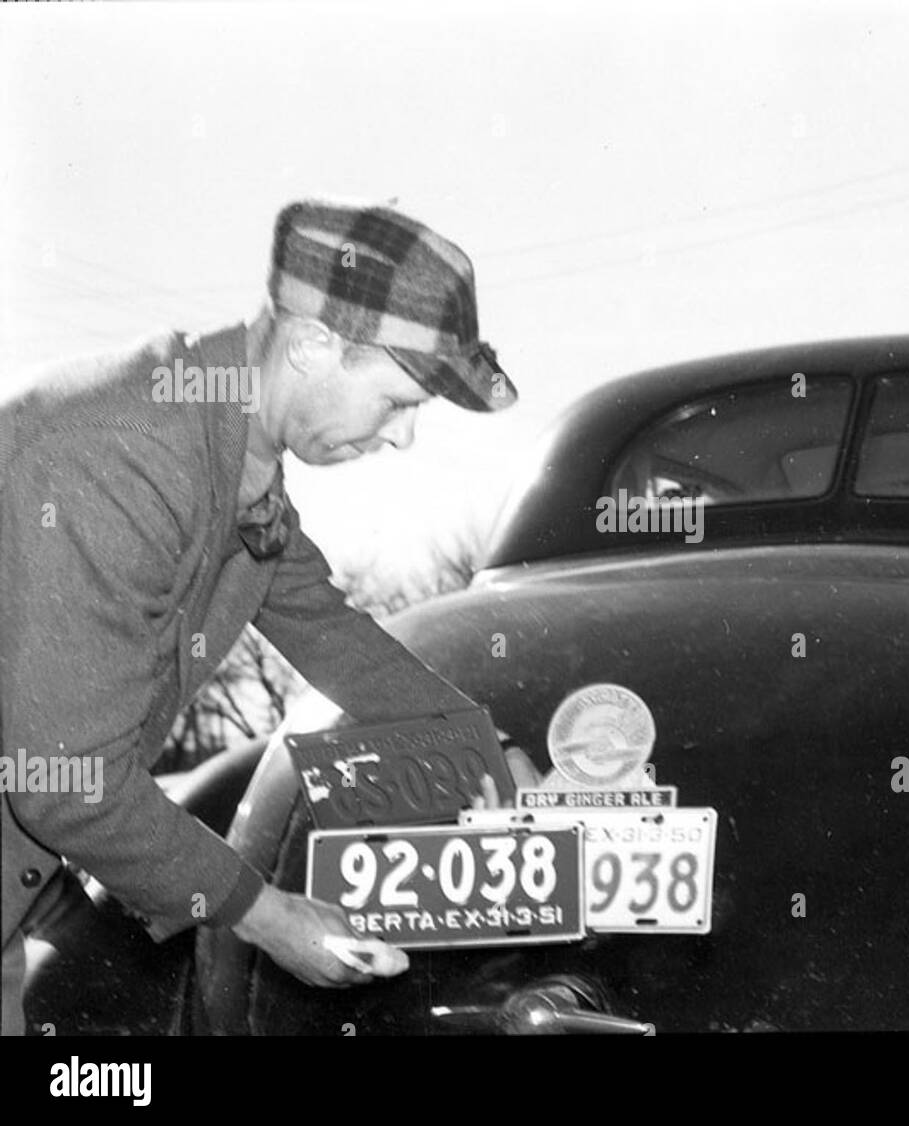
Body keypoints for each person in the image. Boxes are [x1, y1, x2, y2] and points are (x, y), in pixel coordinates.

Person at [0, 198, 539, 1035]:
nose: (403, 439)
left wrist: (496, 765)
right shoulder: (121, 457)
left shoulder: (230, 462)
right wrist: (271, 917)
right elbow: (68, 788)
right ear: (314, 342)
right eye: (398, 401)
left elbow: (332, 633)